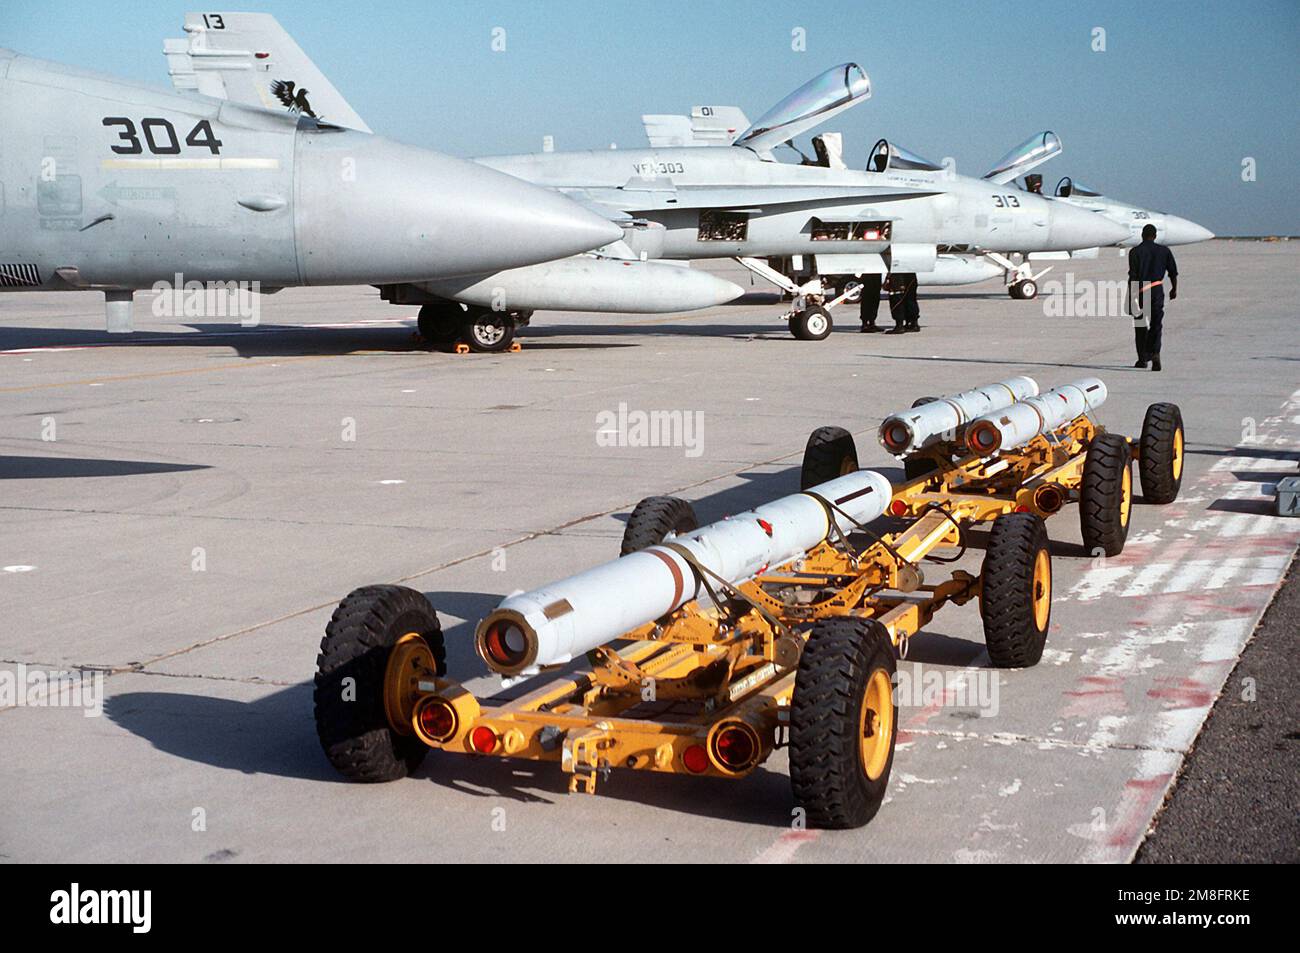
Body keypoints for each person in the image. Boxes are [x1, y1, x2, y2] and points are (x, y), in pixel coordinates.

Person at [1127, 224, 1178, 371]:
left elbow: (1133, 276)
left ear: (1142, 235)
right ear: (1155, 236)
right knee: (1156, 323)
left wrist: (1131, 297)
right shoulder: (1164, 251)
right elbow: (1173, 272)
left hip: (1141, 290)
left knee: (1140, 324)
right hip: (1157, 290)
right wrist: (1174, 289)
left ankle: (1142, 359)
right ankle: (1155, 353)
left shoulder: (1135, 252)